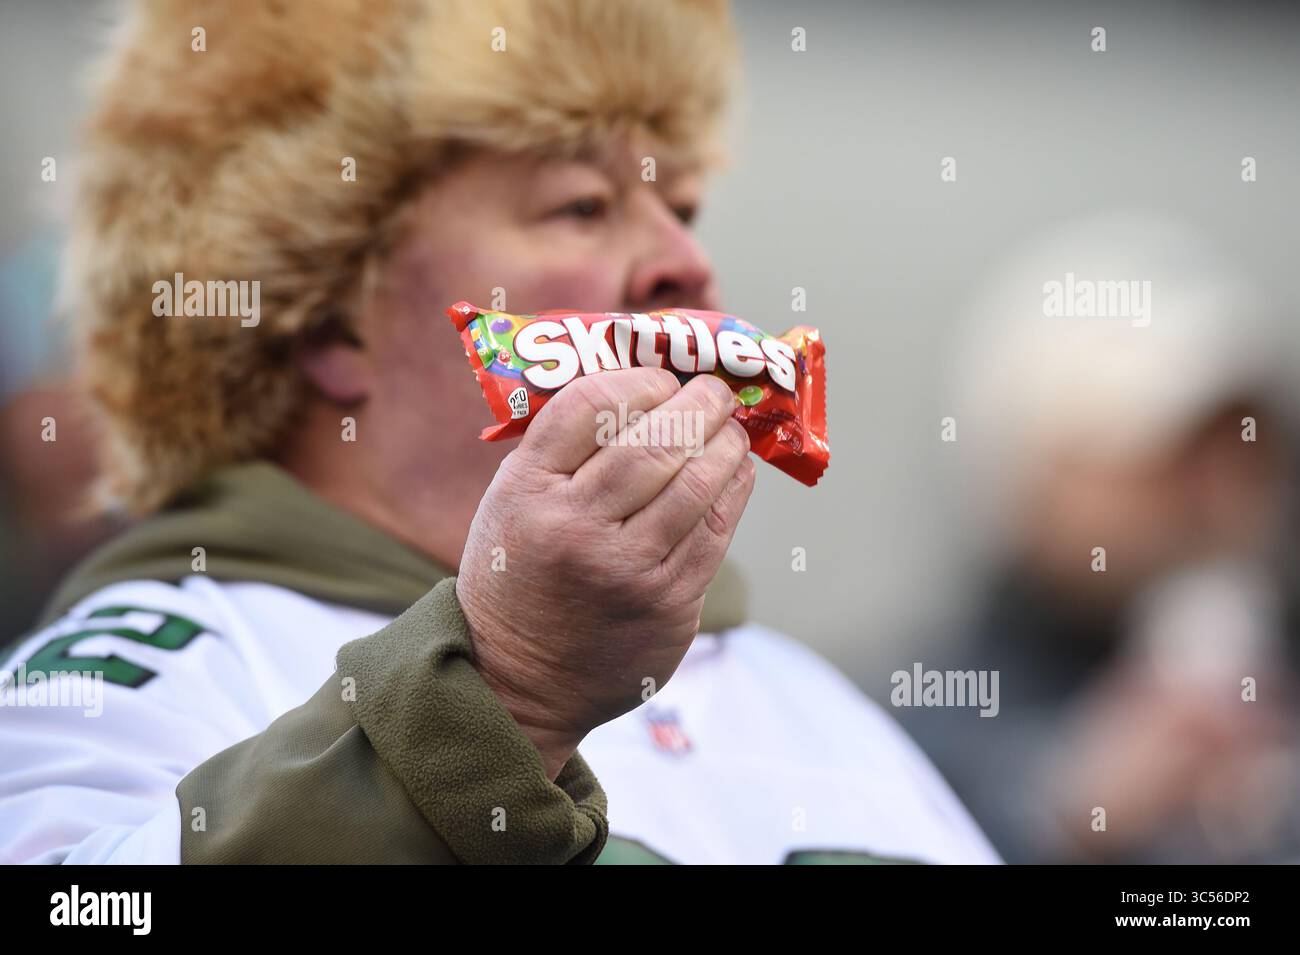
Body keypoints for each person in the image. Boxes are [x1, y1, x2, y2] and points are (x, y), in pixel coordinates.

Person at [0, 0, 997, 865]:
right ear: (333, 314)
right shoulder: (129, 671)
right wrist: (506, 689)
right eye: (582, 206)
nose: (687, 265)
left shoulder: (813, 702)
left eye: (682, 205)